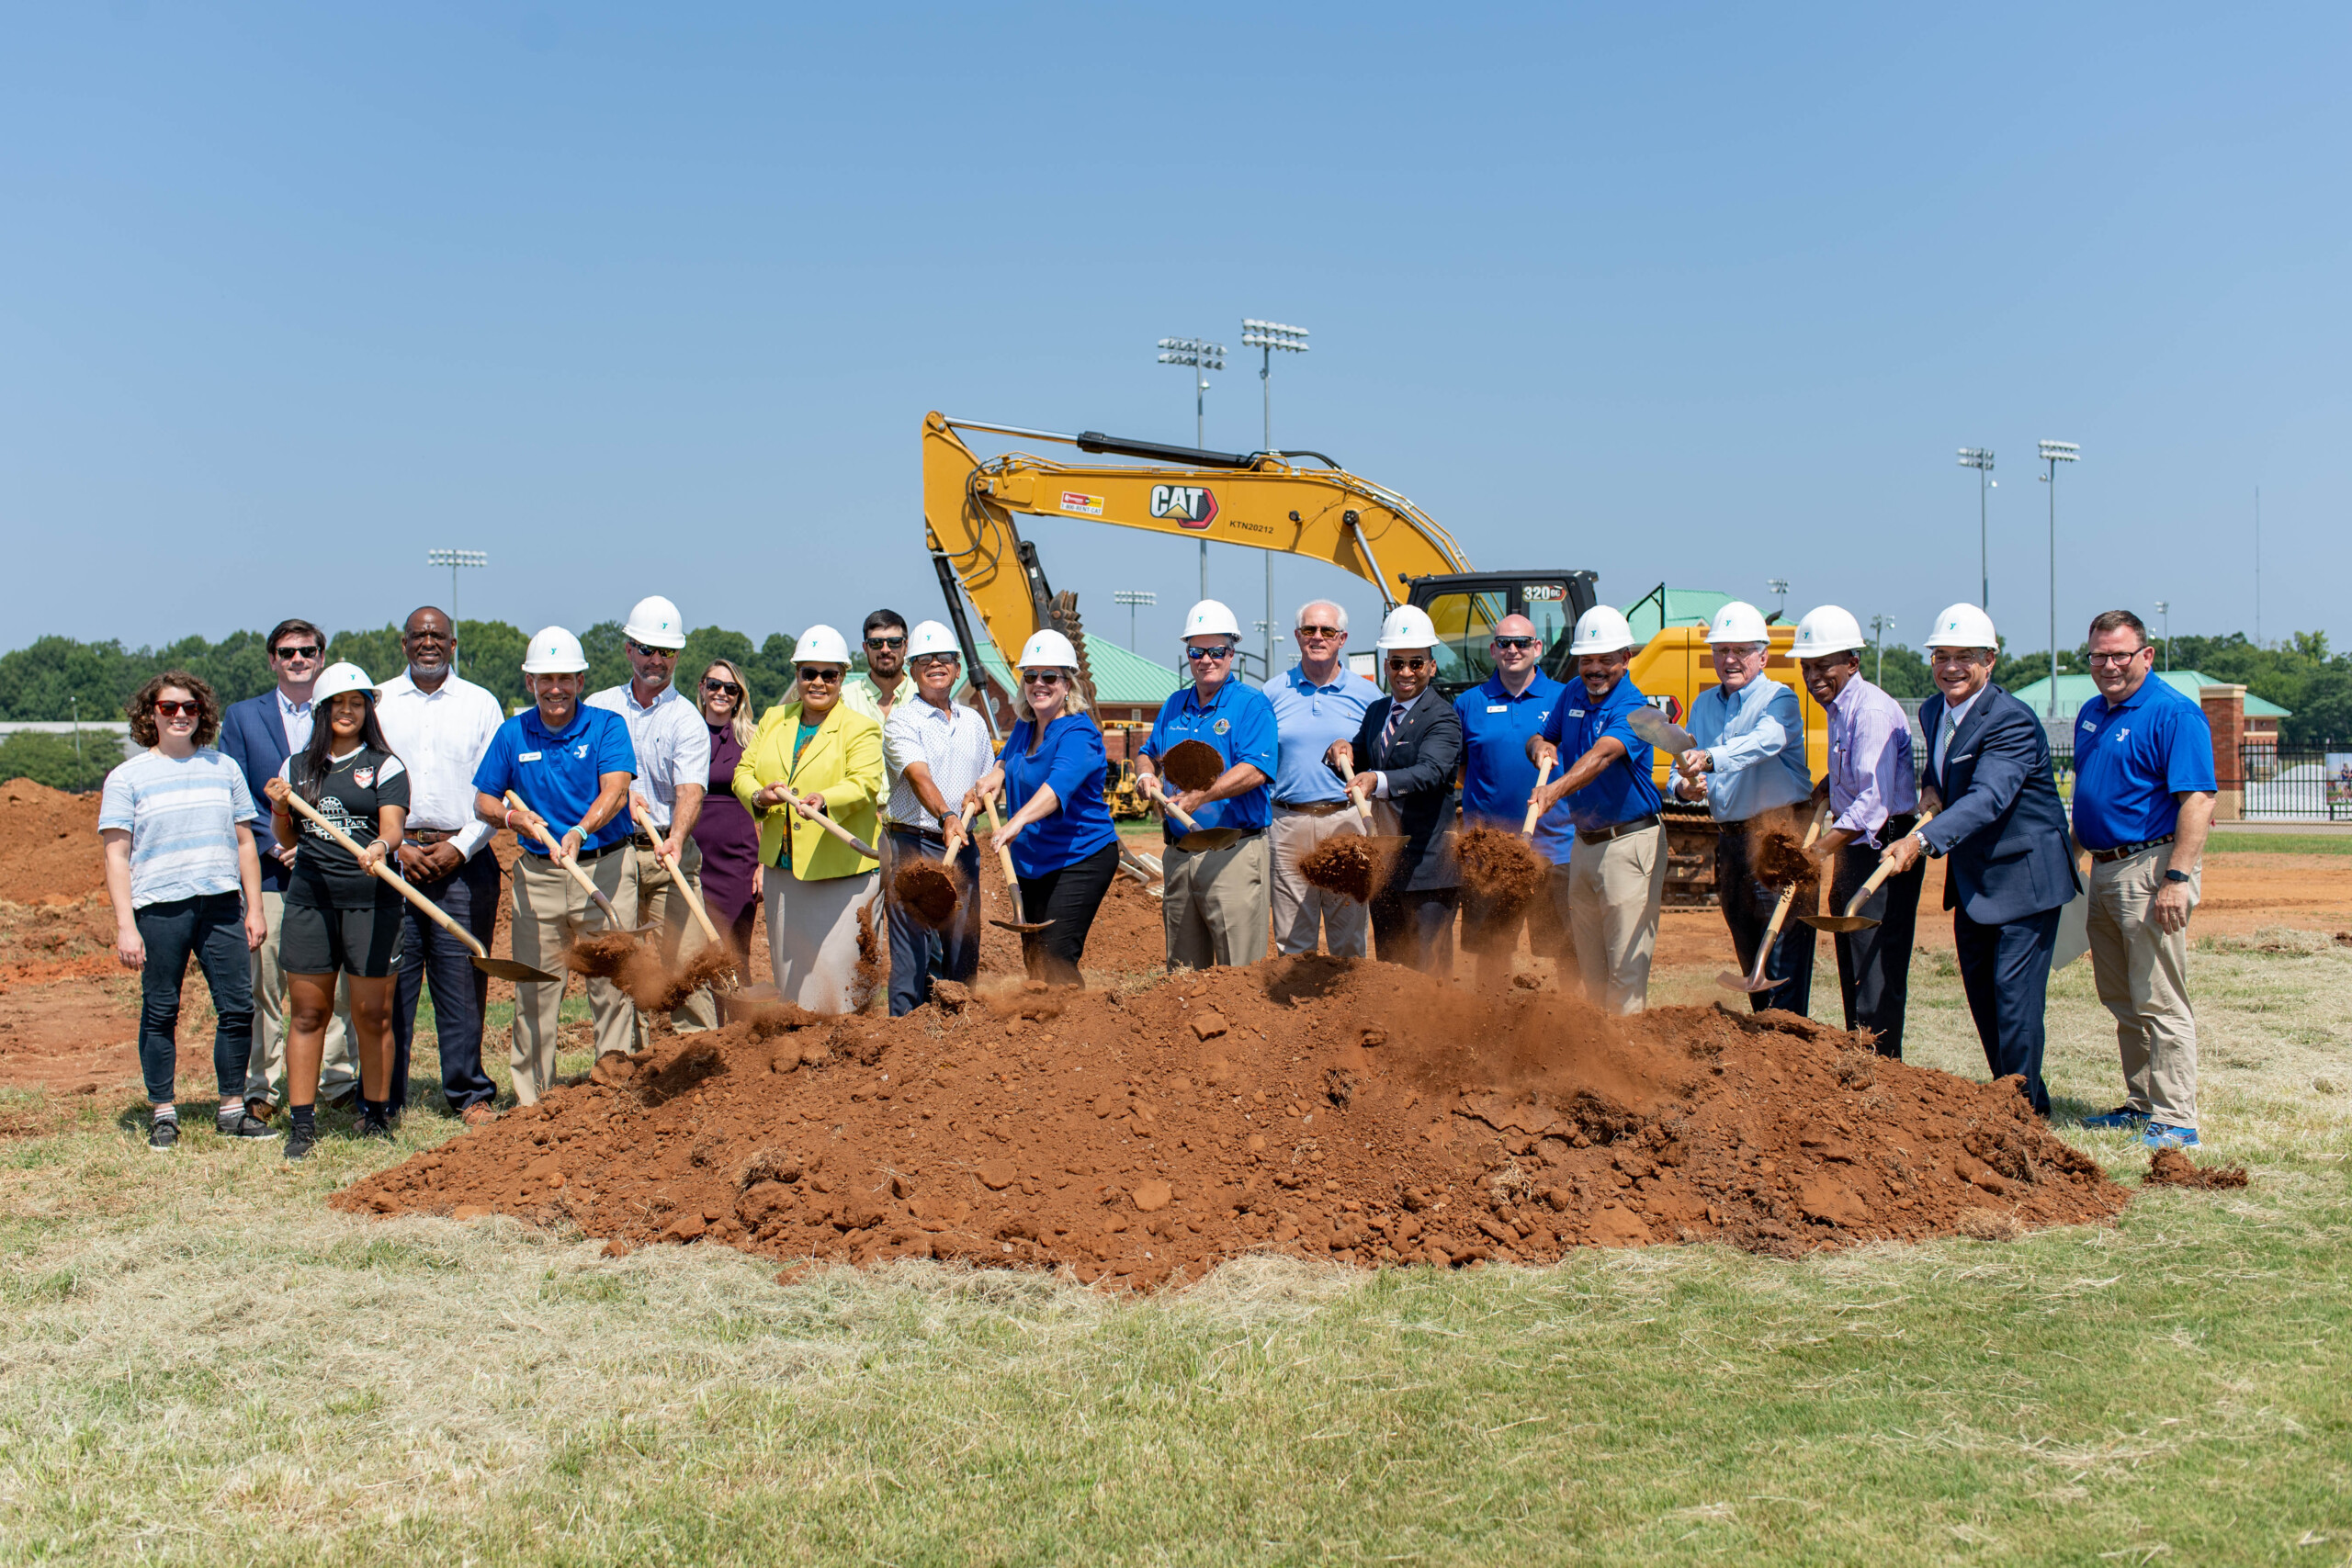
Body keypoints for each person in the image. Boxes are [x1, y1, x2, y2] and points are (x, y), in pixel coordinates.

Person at [1877, 604, 2079, 1115]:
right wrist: (1930, 790)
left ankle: (2025, 1114)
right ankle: (2018, 1097)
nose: (1951, 667)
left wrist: (1920, 842)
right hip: (1974, 879)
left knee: (2015, 1001)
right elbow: (1949, 777)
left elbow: (1990, 797)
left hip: (2025, 878)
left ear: (1990, 660)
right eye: (1941, 656)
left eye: (1965, 656)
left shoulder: (2011, 720)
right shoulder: (1931, 711)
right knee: (1984, 1001)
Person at [99, 672, 274, 1150]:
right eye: (169, 707)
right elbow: (117, 854)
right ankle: (163, 1112)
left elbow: (245, 844)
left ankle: (232, 1109)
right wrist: (125, 926)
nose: (180, 715)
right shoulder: (127, 778)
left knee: (238, 1007)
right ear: (149, 714)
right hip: (159, 908)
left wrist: (253, 909)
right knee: (161, 1009)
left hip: (220, 905)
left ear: (203, 714)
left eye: (190, 708)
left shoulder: (224, 769)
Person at [470, 626, 639, 1104]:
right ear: (530, 684)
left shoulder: (606, 726)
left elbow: (616, 788)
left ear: (581, 680)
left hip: (603, 867)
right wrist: (511, 817)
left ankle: (614, 1091)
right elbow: (483, 797)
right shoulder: (513, 732)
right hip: (540, 876)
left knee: (611, 986)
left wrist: (580, 830)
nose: (555, 688)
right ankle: (532, 1100)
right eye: (545, 679)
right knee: (535, 991)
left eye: (565, 677)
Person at [2069, 609, 2218, 1149]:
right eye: (2098, 656)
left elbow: (2198, 798)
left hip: (2150, 870)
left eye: (2120, 655)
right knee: (2121, 997)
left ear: (2146, 655)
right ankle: (2141, 1104)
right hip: (2103, 869)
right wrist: (2072, 854)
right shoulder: (2092, 712)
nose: (2108, 666)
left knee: (2159, 997)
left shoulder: (2173, 713)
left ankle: (2177, 1119)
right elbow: (2091, 794)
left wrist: (2176, 879)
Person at [259, 662, 410, 1158]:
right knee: (307, 1013)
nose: (348, 711)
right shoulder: (296, 766)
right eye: (338, 704)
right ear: (323, 711)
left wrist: (381, 850)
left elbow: (392, 827)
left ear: (367, 709)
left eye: (357, 703)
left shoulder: (386, 765)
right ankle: (303, 1125)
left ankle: (376, 1114)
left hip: (372, 903)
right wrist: (282, 806)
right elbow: (287, 837)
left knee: (372, 1014)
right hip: (310, 902)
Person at [217, 618, 356, 1115]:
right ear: (272, 659)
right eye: (287, 652)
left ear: (322, 656)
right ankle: (265, 1088)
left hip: (334, 869)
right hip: (271, 873)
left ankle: (339, 1083)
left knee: (335, 982)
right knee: (268, 985)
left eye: (307, 650)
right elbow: (237, 796)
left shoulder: (342, 710)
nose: (298, 659)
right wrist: (277, 845)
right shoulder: (241, 717)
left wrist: (317, 845)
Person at [375, 606, 506, 1123]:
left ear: (453, 646)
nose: (428, 643)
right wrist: (395, 845)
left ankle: (468, 1093)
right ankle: (385, 1096)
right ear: (404, 644)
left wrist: (461, 846)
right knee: (391, 982)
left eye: (438, 636)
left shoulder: (480, 705)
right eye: (418, 635)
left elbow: (496, 786)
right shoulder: (380, 703)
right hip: (394, 860)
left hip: (464, 857)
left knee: (461, 982)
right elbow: (364, 781)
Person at [1792, 604, 1923, 1058]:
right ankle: (1859, 1055)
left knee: (1876, 965)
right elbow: (1862, 778)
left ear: (1852, 662)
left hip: (1885, 848)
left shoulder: (1868, 711)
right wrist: (1834, 780)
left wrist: (1818, 852)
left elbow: (1873, 803)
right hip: (1856, 846)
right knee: (1851, 958)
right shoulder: (1838, 707)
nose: (1814, 676)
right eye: (1807, 667)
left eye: (1824, 665)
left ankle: (1883, 1068)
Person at [1672, 601, 1815, 1014]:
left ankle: (1790, 1035)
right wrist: (1685, 787)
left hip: (1777, 839)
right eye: (1722, 651)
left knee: (1785, 950)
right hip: (1731, 842)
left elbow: (1764, 741)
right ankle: (1764, 1036)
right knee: (1747, 940)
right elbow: (1681, 767)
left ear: (1763, 655)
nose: (1730, 660)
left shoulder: (1780, 700)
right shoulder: (1702, 706)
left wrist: (1711, 759)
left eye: (1741, 651)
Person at [734, 625, 884, 1012]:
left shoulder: (859, 727)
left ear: (842, 677)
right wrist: (758, 795)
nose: (818, 682)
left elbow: (865, 783)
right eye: (808, 673)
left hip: (841, 869)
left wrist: (825, 800)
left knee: (839, 979)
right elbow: (744, 771)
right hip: (784, 868)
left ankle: (846, 1060)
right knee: (792, 977)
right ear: (797, 675)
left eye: (828, 675)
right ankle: (802, 1061)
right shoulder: (773, 718)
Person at [586, 595, 715, 1039]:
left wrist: (677, 837)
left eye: (666, 652)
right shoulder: (600, 708)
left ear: (677, 655)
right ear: (628, 650)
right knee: (624, 965)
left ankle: (696, 1053)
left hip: (669, 852)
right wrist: (621, 795)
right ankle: (629, 1059)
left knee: (687, 966)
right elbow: (589, 776)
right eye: (646, 649)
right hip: (614, 854)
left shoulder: (687, 719)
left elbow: (690, 790)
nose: (655, 660)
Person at [1528, 605, 1667, 1013]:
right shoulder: (1571, 692)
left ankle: (1626, 1061)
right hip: (1584, 843)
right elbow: (1543, 736)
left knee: (1625, 966)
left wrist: (1555, 790)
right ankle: (1600, 1060)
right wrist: (1540, 748)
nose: (1595, 668)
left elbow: (1603, 756)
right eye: (1587, 659)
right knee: (1590, 966)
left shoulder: (1637, 710)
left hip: (1629, 844)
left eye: (1606, 659)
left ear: (1626, 658)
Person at [966, 630, 1123, 986]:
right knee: (1035, 960)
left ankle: (1073, 1032)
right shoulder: (1025, 726)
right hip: (1032, 861)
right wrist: (996, 773)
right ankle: (1041, 1034)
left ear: (1068, 684)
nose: (1039, 684)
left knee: (1056, 958)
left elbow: (1057, 787)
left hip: (1080, 858)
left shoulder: (1079, 735)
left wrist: (1016, 821)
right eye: (1031, 676)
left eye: (1049, 676)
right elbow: (1008, 757)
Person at [1135, 599, 1279, 970]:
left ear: (1231, 653)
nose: (1206, 659)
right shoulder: (1174, 705)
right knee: (1182, 975)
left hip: (1232, 851)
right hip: (1180, 855)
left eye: (1216, 651)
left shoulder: (1251, 705)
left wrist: (1203, 795)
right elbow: (1148, 752)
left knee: (1240, 974)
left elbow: (1256, 769)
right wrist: (1145, 773)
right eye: (1197, 651)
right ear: (1188, 654)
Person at [1331, 605, 1464, 975]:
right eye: (1397, 663)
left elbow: (1432, 771)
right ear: (1386, 663)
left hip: (1428, 868)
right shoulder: (1376, 712)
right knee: (1391, 969)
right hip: (1386, 864)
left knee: (1429, 972)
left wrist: (1377, 780)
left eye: (1416, 664)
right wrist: (1339, 750)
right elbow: (1359, 755)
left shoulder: (1442, 716)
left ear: (1431, 667)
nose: (1406, 673)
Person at [881, 621, 991, 1013]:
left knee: (963, 947)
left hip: (962, 847)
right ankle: (904, 1038)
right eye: (924, 660)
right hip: (914, 845)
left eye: (944, 659)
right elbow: (917, 775)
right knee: (911, 953)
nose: (935, 665)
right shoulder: (901, 721)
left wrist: (977, 801)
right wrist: (947, 814)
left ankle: (961, 1031)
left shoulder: (975, 723)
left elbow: (985, 781)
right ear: (911, 670)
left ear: (958, 668)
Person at [1264, 601, 1382, 958]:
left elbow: (1379, 759)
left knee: (1348, 938)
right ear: (1298, 636)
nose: (1318, 637)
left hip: (1346, 821)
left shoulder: (1369, 696)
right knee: (1292, 939)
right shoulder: (1272, 693)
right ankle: (1297, 1011)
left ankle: (1348, 1013)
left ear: (1342, 638)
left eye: (1327, 631)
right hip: (1288, 825)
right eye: (1309, 630)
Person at [1453, 613, 1569, 977]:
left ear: (1538, 648)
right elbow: (1461, 768)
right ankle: (1490, 1024)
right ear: (1493, 650)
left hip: (1554, 848)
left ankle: (1572, 1026)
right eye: (1504, 643)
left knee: (1566, 951)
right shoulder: (1469, 703)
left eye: (1522, 643)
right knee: (1491, 952)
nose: (1513, 650)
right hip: (1490, 851)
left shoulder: (1564, 697)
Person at [690, 657, 763, 966]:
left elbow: (764, 805)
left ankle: (738, 1016)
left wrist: (762, 865)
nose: (722, 692)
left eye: (731, 688)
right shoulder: (686, 734)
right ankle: (702, 1017)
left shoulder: (752, 739)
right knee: (692, 951)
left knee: (734, 952)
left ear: (739, 697)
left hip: (738, 861)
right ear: (702, 689)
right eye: (715, 684)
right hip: (691, 857)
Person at [842, 609, 912, 726]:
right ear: (865, 648)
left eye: (894, 642)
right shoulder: (844, 700)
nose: (885, 650)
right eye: (876, 643)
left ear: (906, 647)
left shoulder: (923, 695)